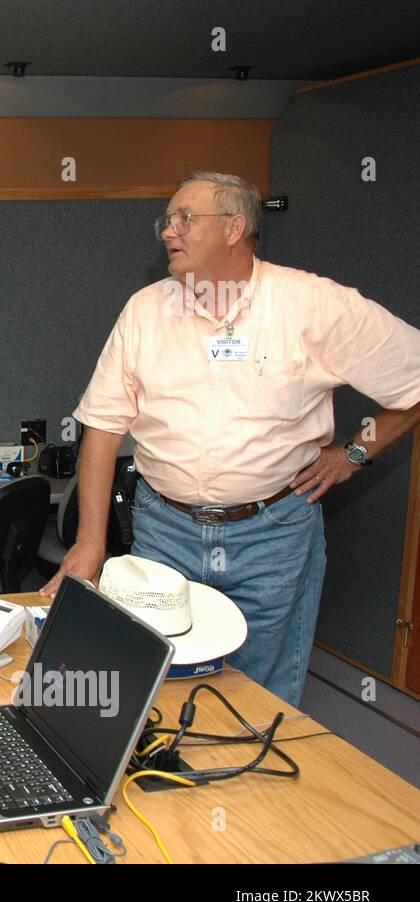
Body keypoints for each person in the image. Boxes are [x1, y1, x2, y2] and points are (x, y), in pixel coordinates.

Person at [42, 170, 420, 705]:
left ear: (235, 227)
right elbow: (102, 429)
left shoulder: (313, 304)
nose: (168, 231)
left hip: (273, 534)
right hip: (163, 531)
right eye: (166, 220)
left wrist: (352, 455)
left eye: (185, 219)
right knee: (156, 686)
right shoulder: (145, 311)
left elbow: (414, 382)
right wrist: (89, 544)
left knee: (258, 696)